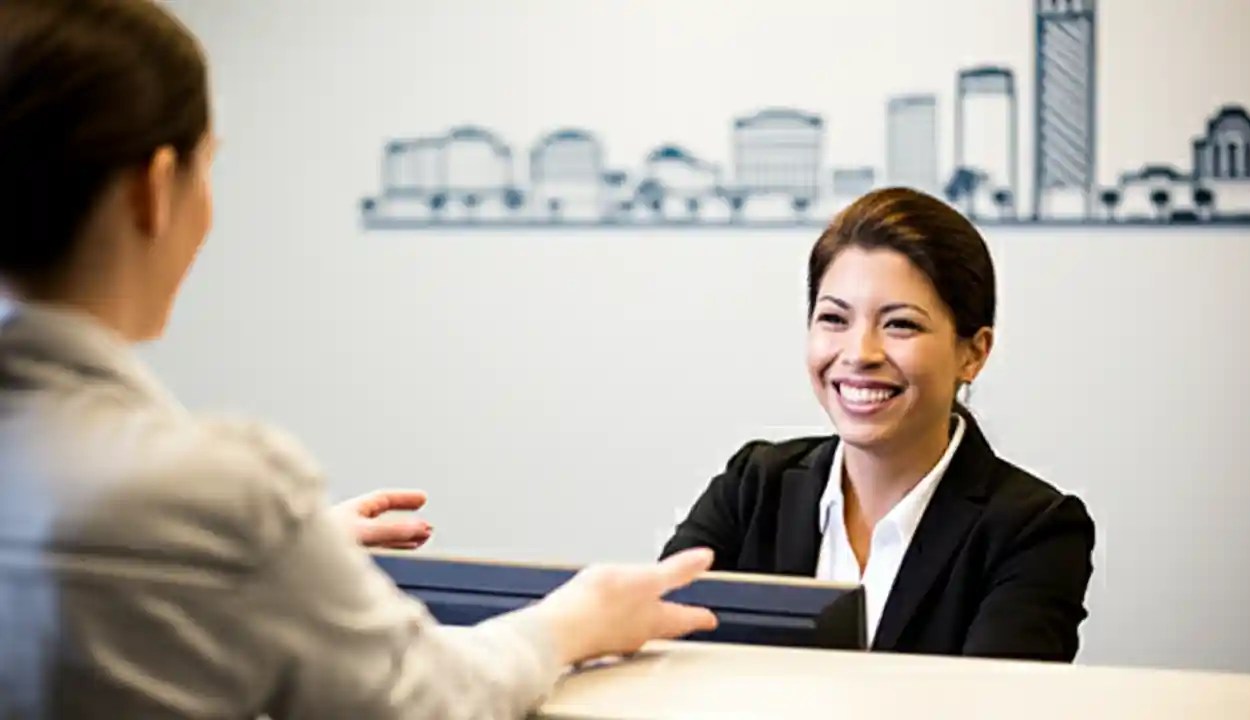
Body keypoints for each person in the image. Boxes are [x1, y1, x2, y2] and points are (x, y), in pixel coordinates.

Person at [0, 1, 716, 718]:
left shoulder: (202, 511)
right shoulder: (215, 492)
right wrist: (570, 624)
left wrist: (286, 558)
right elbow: (430, 699)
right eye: (207, 169)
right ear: (153, 189)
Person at [662, 187, 1095, 662]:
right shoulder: (754, 487)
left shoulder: (1033, 531)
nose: (859, 354)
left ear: (973, 352)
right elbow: (657, 647)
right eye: (834, 318)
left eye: (900, 324)